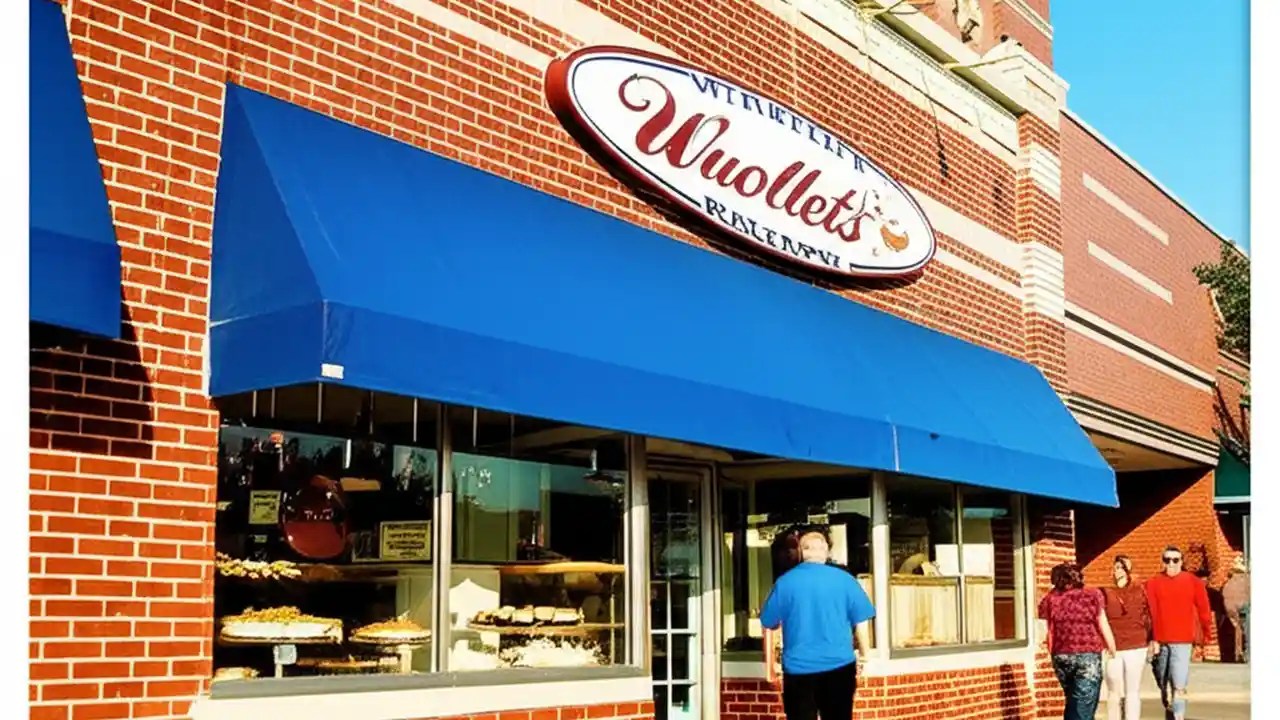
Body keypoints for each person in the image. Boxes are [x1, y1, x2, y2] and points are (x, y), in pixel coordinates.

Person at [760, 531, 875, 720]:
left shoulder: (785, 582)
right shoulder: (845, 580)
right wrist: (865, 656)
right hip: (839, 665)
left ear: (801, 552)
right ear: (826, 551)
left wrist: (770, 664)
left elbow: (768, 623)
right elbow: (861, 622)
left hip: (798, 669)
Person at [1039, 562, 1117, 720]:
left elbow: (1046, 630)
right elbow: (1102, 622)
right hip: (1087, 654)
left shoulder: (1049, 598)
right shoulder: (1092, 594)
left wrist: (1051, 651)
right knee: (1083, 705)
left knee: (1074, 701)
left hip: (1061, 655)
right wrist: (1112, 647)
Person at [1145, 545, 1212, 720]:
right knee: (1163, 682)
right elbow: (1149, 613)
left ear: (1181, 561)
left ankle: (1178, 716)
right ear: (1163, 561)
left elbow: (1204, 610)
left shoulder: (1193, 582)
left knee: (1179, 684)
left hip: (1183, 640)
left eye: (1175, 560)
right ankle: (1170, 706)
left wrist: (1205, 637)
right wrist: (1151, 639)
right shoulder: (1153, 583)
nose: (1171, 563)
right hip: (1160, 640)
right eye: (1167, 560)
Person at [1101, 555, 1150, 720]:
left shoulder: (1140, 591)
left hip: (1136, 645)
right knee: (1113, 689)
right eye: (1116, 568)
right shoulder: (1106, 593)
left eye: (1122, 568)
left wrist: (1153, 639)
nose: (1118, 572)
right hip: (1113, 646)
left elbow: (1149, 615)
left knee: (1132, 690)